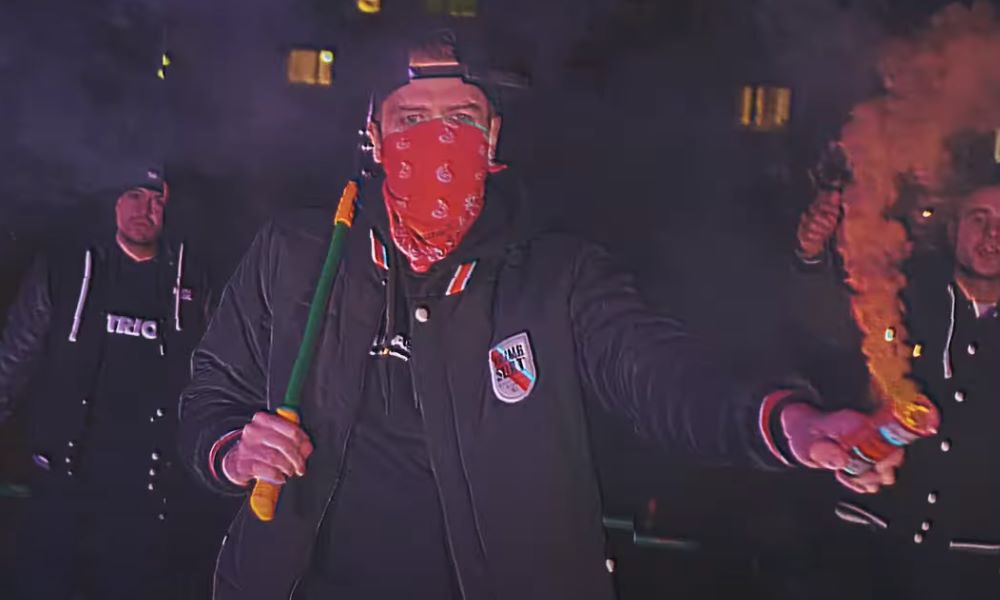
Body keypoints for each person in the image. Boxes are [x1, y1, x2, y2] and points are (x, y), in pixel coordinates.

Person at [178, 32, 899, 600]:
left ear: (493, 138)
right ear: (372, 135)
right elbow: (210, 396)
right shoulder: (296, 254)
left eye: (461, 118)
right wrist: (235, 452)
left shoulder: (557, 278)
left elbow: (664, 377)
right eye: (412, 120)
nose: (438, 140)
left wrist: (789, 424)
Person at [792, 130, 1000, 599]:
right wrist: (812, 254)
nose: (993, 235)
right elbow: (821, 319)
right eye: (979, 218)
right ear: (954, 228)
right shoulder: (900, 292)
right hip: (868, 542)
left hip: (978, 562)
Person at [0, 168, 226, 599]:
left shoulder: (193, 281)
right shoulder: (66, 269)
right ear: (114, 201)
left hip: (147, 492)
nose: (145, 209)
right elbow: (13, 358)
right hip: (62, 480)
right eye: (134, 196)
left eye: (156, 200)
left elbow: (221, 373)